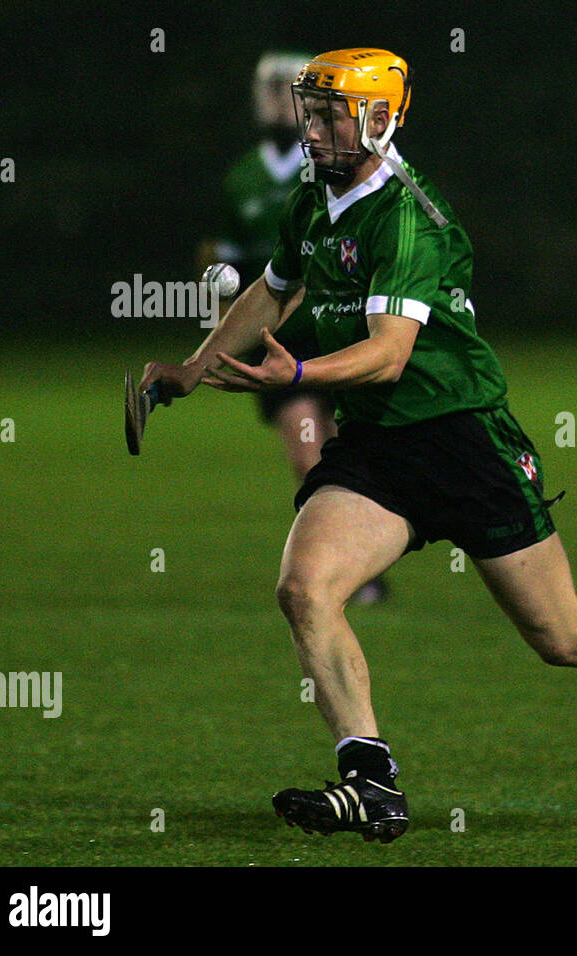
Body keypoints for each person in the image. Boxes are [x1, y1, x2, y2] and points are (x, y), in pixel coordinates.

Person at [141, 47, 577, 842]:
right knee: (306, 590)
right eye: (310, 110)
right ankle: (371, 781)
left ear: (379, 118)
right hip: (376, 447)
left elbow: (388, 353)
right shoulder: (314, 198)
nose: (313, 127)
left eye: (330, 112)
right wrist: (194, 368)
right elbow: (275, 289)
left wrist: (297, 370)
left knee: (561, 635)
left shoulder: (407, 213)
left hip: (462, 439)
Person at [201, 50, 387, 605]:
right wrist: (218, 329)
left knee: (351, 455)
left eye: (291, 92)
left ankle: (359, 562)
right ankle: (349, 575)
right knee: (309, 454)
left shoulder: (331, 166)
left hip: (346, 337)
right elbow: (223, 265)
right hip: (278, 346)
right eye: (270, 90)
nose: (279, 104)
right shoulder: (241, 177)